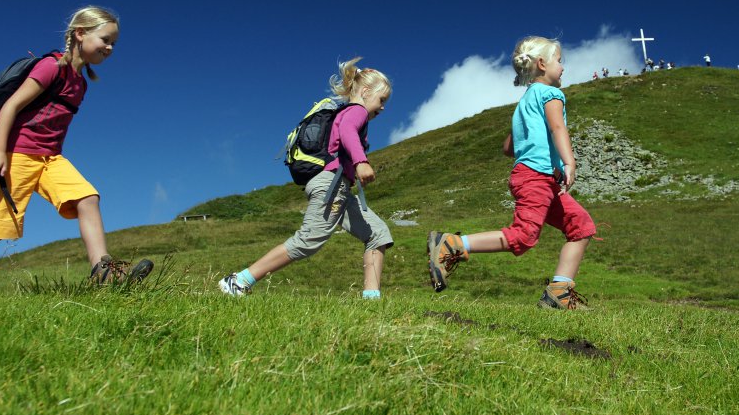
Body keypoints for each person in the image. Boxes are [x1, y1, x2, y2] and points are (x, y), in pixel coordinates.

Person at [0, 6, 152, 288]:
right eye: (105, 39)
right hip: (17, 155)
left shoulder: (80, 83)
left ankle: (103, 272)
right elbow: (12, 106)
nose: (109, 47)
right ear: (80, 33)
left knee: (87, 198)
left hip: (50, 159)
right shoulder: (51, 67)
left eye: (113, 43)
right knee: (0, 225)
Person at [427, 36, 598, 309]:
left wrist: (535, 147)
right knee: (524, 235)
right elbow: (557, 129)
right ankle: (453, 244)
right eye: (559, 61)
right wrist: (569, 162)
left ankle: (560, 292)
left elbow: (509, 147)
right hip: (536, 178)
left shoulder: (524, 103)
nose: (563, 67)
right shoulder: (552, 94)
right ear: (542, 64)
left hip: (535, 176)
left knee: (581, 226)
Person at [219, 58, 394, 299]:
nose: (382, 107)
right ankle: (239, 281)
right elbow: (347, 133)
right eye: (381, 100)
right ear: (365, 91)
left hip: (339, 187)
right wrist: (361, 161)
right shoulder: (357, 111)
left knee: (378, 233)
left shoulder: (346, 111)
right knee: (308, 240)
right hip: (330, 185)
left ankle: (372, 300)